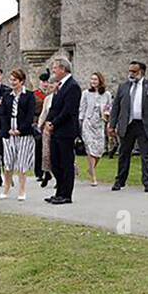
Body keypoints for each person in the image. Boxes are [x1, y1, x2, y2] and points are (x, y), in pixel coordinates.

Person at [110, 60, 148, 192]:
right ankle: (120, 181)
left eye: (134, 71)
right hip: (127, 124)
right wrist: (112, 125)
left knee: (146, 155)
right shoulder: (123, 87)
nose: (131, 74)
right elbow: (115, 107)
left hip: (144, 124)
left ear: (141, 72)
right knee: (124, 154)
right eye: (130, 71)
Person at [44, 56, 82, 205]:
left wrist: (54, 123)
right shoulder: (60, 86)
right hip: (56, 130)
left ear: (63, 69)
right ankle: (59, 191)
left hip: (65, 130)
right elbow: (54, 107)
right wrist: (48, 121)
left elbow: (68, 110)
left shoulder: (73, 86)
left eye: (55, 68)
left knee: (66, 163)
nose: (53, 71)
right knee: (55, 162)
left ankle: (66, 194)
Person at [0, 68, 37, 201]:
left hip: (24, 134)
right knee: (8, 162)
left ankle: (22, 190)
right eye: (11, 80)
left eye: (15, 80)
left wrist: (20, 130)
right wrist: (7, 129)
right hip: (9, 134)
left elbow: (30, 115)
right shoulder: (6, 95)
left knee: (22, 163)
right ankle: (7, 187)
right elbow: (3, 114)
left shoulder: (29, 96)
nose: (12, 82)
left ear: (21, 81)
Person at [79, 72, 112, 186]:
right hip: (88, 123)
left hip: (100, 124)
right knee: (90, 149)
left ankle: (91, 168)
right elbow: (82, 108)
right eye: (91, 79)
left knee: (99, 150)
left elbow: (109, 107)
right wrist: (80, 121)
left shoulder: (106, 94)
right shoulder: (86, 93)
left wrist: (107, 116)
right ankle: (93, 176)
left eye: (95, 79)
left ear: (100, 81)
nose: (93, 82)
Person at [34, 72, 55, 187]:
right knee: (40, 150)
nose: (46, 84)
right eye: (44, 82)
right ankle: (40, 172)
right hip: (40, 123)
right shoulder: (35, 95)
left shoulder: (53, 96)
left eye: (48, 82)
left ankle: (50, 172)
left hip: (52, 124)